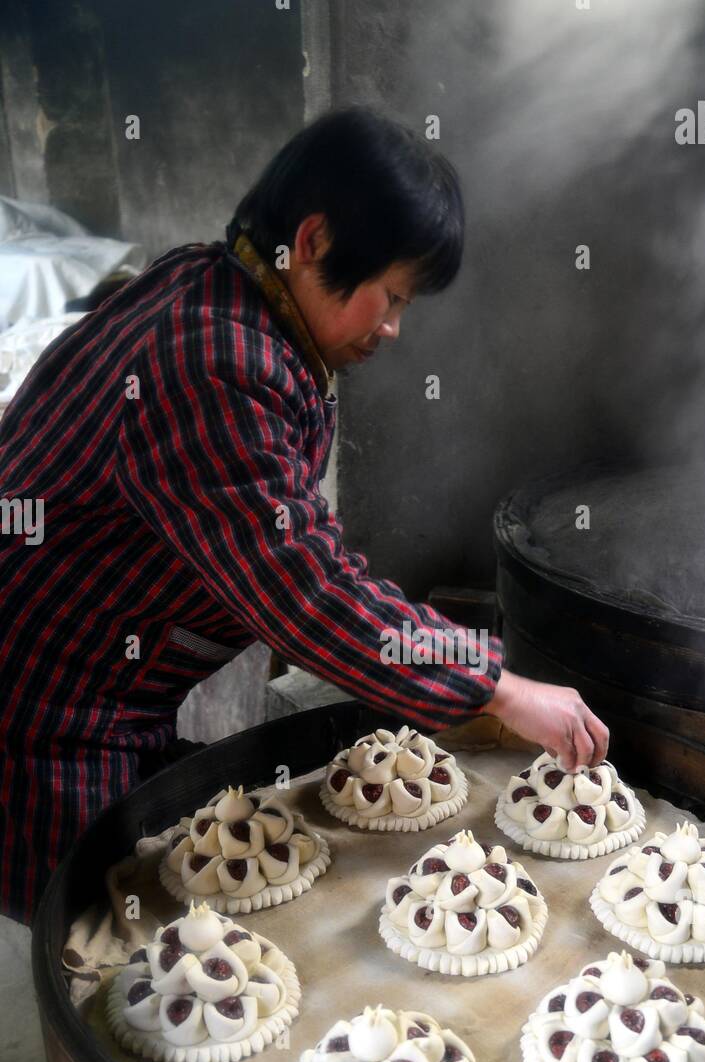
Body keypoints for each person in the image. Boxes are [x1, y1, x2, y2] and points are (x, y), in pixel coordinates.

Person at [0, 105, 608, 927]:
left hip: (108, 691)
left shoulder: (233, 298)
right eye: (389, 295)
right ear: (315, 242)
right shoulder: (213, 360)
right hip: (41, 710)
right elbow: (306, 589)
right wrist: (496, 687)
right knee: (105, 944)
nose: (392, 328)